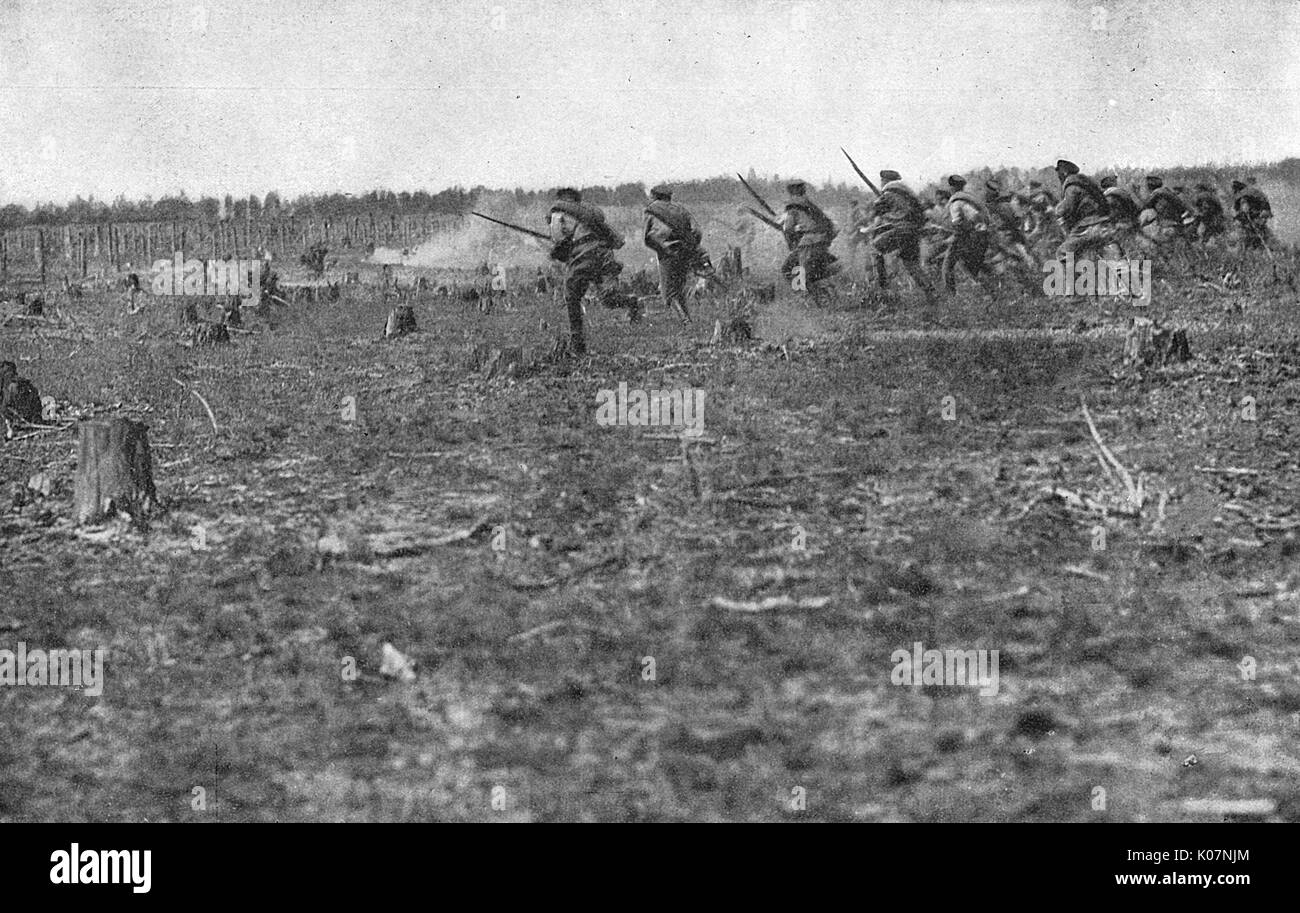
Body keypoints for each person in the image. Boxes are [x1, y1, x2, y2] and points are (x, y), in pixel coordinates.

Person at [548, 187, 630, 355]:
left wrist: (556, 251)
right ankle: (633, 303)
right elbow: (614, 240)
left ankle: (578, 344)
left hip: (584, 256)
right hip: (605, 255)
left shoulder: (558, 213)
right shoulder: (591, 215)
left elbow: (560, 244)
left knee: (571, 296)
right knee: (609, 297)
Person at [869, 169, 936, 302]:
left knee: (874, 250)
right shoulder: (909, 194)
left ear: (885, 181)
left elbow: (876, 212)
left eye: (882, 181)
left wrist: (879, 203)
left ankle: (883, 289)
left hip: (900, 230)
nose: (881, 183)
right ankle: (931, 293)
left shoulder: (888, 193)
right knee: (911, 264)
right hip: (913, 232)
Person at [643, 184, 703, 323]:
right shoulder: (681, 209)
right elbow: (697, 231)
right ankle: (688, 320)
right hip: (685, 253)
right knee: (679, 289)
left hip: (667, 255)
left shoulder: (651, 210)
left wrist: (661, 248)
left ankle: (685, 321)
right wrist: (691, 246)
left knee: (669, 293)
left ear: (654, 196)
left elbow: (647, 237)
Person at [779, 180, 839, 298]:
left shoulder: (792, 207)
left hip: (809, 242)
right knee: (814, 269)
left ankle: (803, 296)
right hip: (822, 241)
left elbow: (788, 228)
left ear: (791, 192)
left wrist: (792, 233)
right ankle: (825, 293)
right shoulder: (810, 205)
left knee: (797, 270)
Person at [941, 175, 995, 295]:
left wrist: (956, 234)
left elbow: (963, 221)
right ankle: (993, 284)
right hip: (978, 235)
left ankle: (951, 295)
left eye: (950, 187)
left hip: (965, 237)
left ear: (952, 188)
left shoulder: (956, 203)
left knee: (947, 266)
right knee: (972, 264)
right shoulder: (969, 199)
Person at [1053, 159, 1110, 258]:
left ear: (1064, 172)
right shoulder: (1086, 183)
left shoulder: (1072, 185)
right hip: (1104, 223)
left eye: (1059, 172)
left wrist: (1057, 209)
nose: (1058, 176)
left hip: (1088, 226)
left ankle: (1073, 273)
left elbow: (1068, 207)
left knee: (1062, 253)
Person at [1139, 175, 1192, 246]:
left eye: (1144, 187)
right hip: (1176, 226)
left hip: (1165, 228)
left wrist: (1132, 193)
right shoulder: (1169, 192)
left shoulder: (1157, 193)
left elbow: (1143, 206)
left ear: (1149, 187)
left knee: (1139, 233)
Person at [1099, 174, 1141, 254]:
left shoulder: (1107, 197)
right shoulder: (1124, 194)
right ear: (1114, 183)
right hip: (1129, 226)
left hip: (1115, 228)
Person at [0, 361, 41, 436]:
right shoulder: (23, 384)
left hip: (21, 415)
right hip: (32, 414)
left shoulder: (13, 386)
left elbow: (5, 407)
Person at [1232, 179, 1273, 250]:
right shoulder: (1253, 191)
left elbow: (1244, 208)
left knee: (1250, 231)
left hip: (1256, 214)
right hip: (1264, 212)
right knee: (1260, 231)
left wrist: (1238, 216)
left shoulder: (1241, 194)